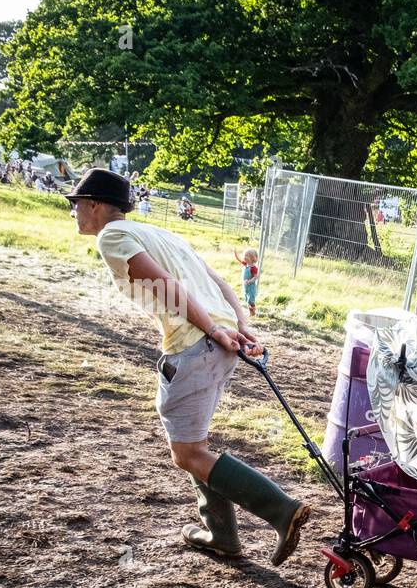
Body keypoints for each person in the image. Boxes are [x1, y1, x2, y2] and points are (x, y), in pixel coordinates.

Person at [66, 168, 312, 564]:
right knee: (196, 445)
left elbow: (168, 288)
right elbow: (223, 285)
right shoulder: (163, 234)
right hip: (218, 343)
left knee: (187, 453)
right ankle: (221, 535)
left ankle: (281, 511)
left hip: (196, 344)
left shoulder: (112, 236)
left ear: (94, 204)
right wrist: (240, 327)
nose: (73, 212)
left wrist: (215, 330)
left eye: (75, 204)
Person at [233, 247, 259, 318]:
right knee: (247, 299)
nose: (244, 257)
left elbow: (255, 277)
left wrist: (250, 281)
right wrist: (235, 253)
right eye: (244, 255)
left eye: (247, 256)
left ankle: (253, 313)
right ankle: (250, 312)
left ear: (252, 258)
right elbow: (239, 259)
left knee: (251, 300)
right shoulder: (245, 264)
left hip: (250, 286)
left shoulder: (253, 268)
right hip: (246, 286)